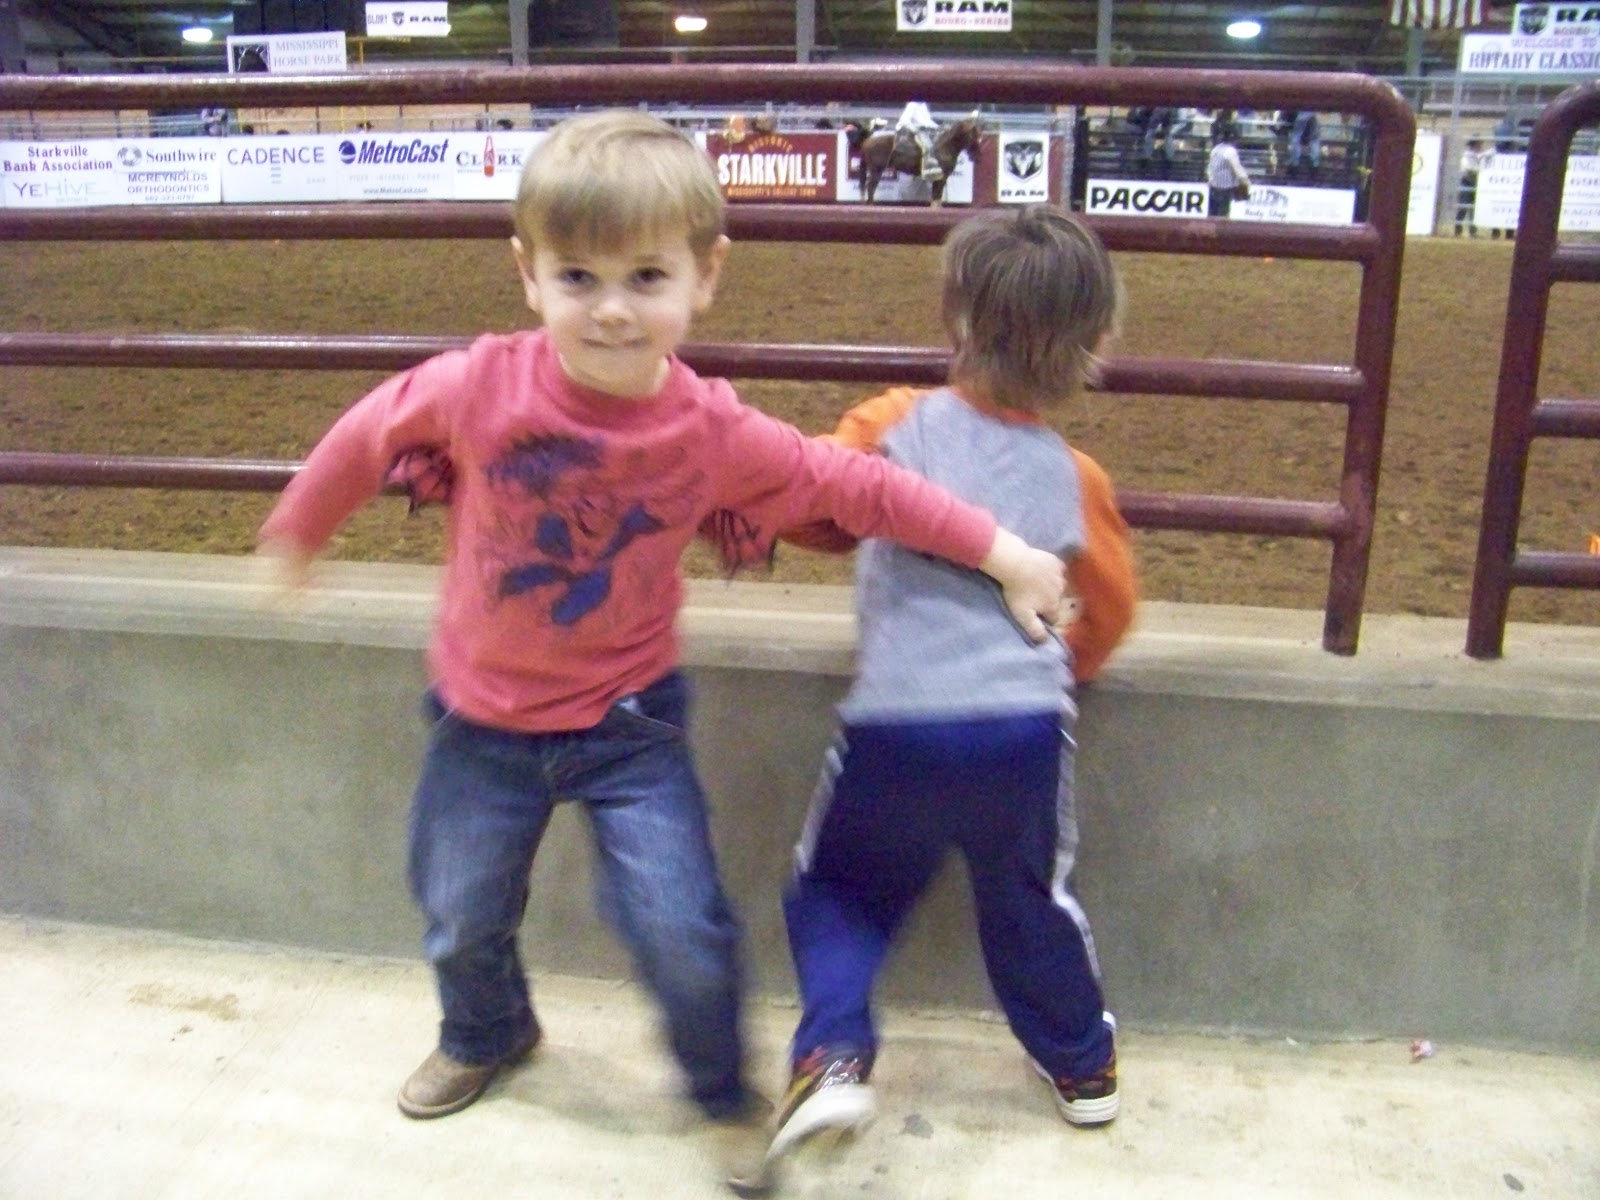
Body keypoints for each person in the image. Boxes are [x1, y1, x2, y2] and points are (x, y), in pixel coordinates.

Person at [253, 109, 1067, 1194]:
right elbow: (369, 434)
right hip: (478, 720)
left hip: (628, 726)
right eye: (577, 277)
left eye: (646, 277)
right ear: (528, 275)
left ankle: (720, 1093)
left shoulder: (710, 433)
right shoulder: (474, 387)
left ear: (703, 275)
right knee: (457, 907)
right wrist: (297, 530)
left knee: (683, 928)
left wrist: (1004, 550)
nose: (611, 309)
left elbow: (856, 487)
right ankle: (487, 1029)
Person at [755, 205, 1138, 1188]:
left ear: (953, 318)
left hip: (896, 726)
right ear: (1094, 345)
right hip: (1022, 731)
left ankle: (833, 1054)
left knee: (840, 889)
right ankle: (1082, 1063)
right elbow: (1109, 608)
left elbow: (810, 509)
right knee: (1027, 897)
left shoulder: (891, 426)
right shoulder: (1077, 476)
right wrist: (1064, 668)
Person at [896, 100, 944, 181]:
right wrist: (915, 129)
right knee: (928, 146)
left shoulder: (923, 104)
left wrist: (937, 127)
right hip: (911, 130)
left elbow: (927, 121)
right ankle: (927, 169)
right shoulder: (912, 104)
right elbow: (904, 120)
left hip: (924, 129)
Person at [1207, 130, 1251, 218]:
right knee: (1223, 216)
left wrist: (1210, 181)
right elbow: (1237, 169)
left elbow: (1209, 168)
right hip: (1225, 189)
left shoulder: (1216, 149)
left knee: (1212, 215)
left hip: (1213, 187)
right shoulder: (1230, 151)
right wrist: (1246, 181)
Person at [1456, 138, 1491, 238]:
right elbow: (1468, 168)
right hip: (1467, 181)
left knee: (1474, 208)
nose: (1481, 146)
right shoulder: (1467, 155)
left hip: (1476, 182)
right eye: (1479, 144)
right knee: (1463, 206)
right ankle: (1458, 228)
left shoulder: (1479, 155)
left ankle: (1472, 230)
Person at [1287, 110, 1321, 178]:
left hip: (1303, 116)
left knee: (1297, 140)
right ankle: (1314, 169)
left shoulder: (1302, 117)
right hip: (1308, 116)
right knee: (1313, 142)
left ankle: (1294, 168)